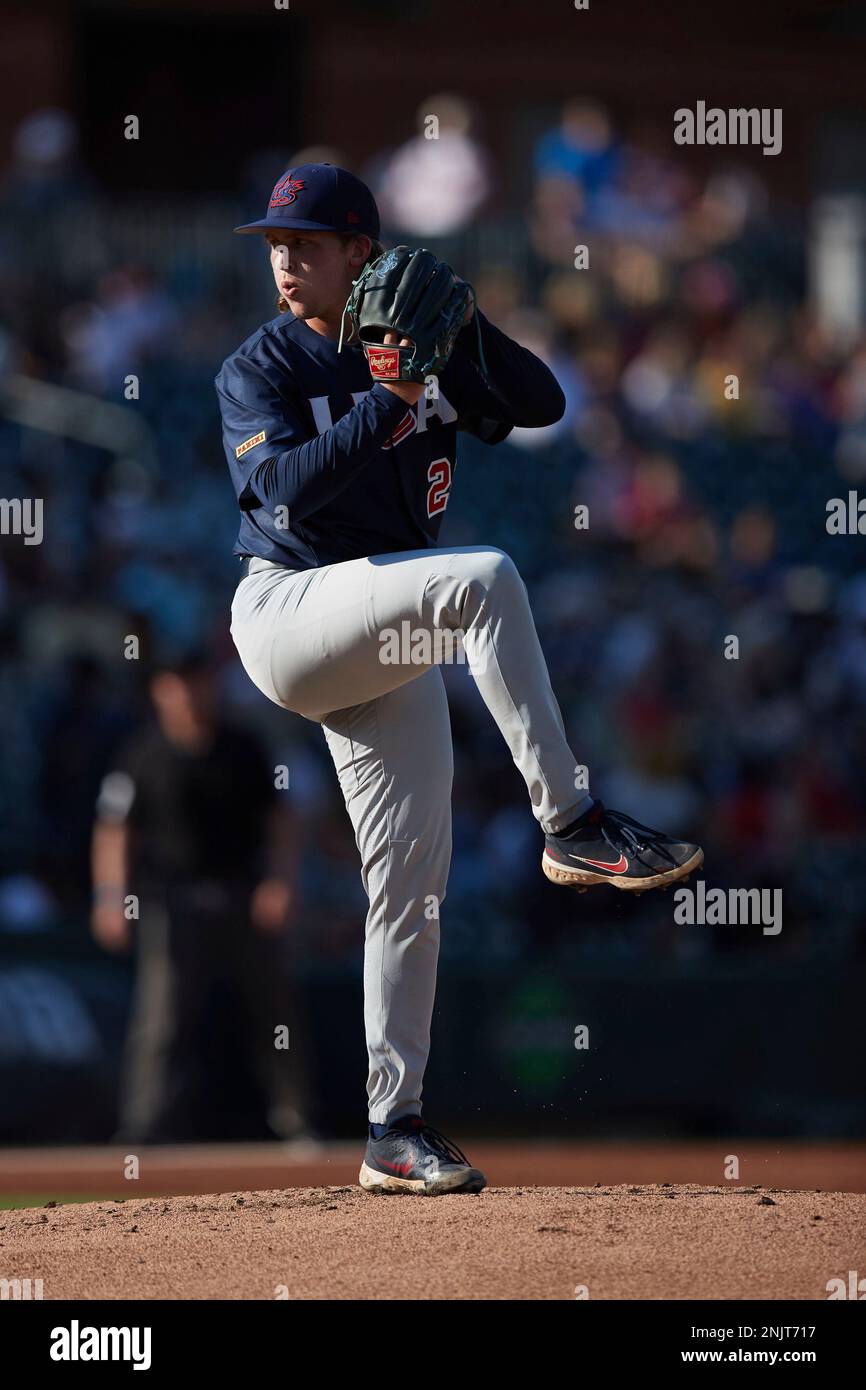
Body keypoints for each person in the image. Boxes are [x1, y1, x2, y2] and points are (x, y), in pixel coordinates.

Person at [218, 162, 703, 1195]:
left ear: (361, 252)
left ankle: (392, 1127)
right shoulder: (258, 367)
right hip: (290, 615)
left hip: (383, 634)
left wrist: (464, 331)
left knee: (410, 892)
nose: (284, 261)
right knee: (485, 577)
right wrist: (392, 398)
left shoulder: (421, 340)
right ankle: (569, 822)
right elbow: (290, 497)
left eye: (305, 242)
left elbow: (542, 400)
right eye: (274, 243)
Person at [91, 654, 310, 1145]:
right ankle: (142, 1131)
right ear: (159, 692)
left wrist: (281, 882)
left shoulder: (245, 746)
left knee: (273, 1013)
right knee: (161, 1019)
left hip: (244, 897)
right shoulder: (141, 754)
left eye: (196, 684)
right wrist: (110, 897)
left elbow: (282, 821)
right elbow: (113, 831)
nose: (188, 696)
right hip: (172, 901)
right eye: (177, 685)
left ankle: (296, 1121)